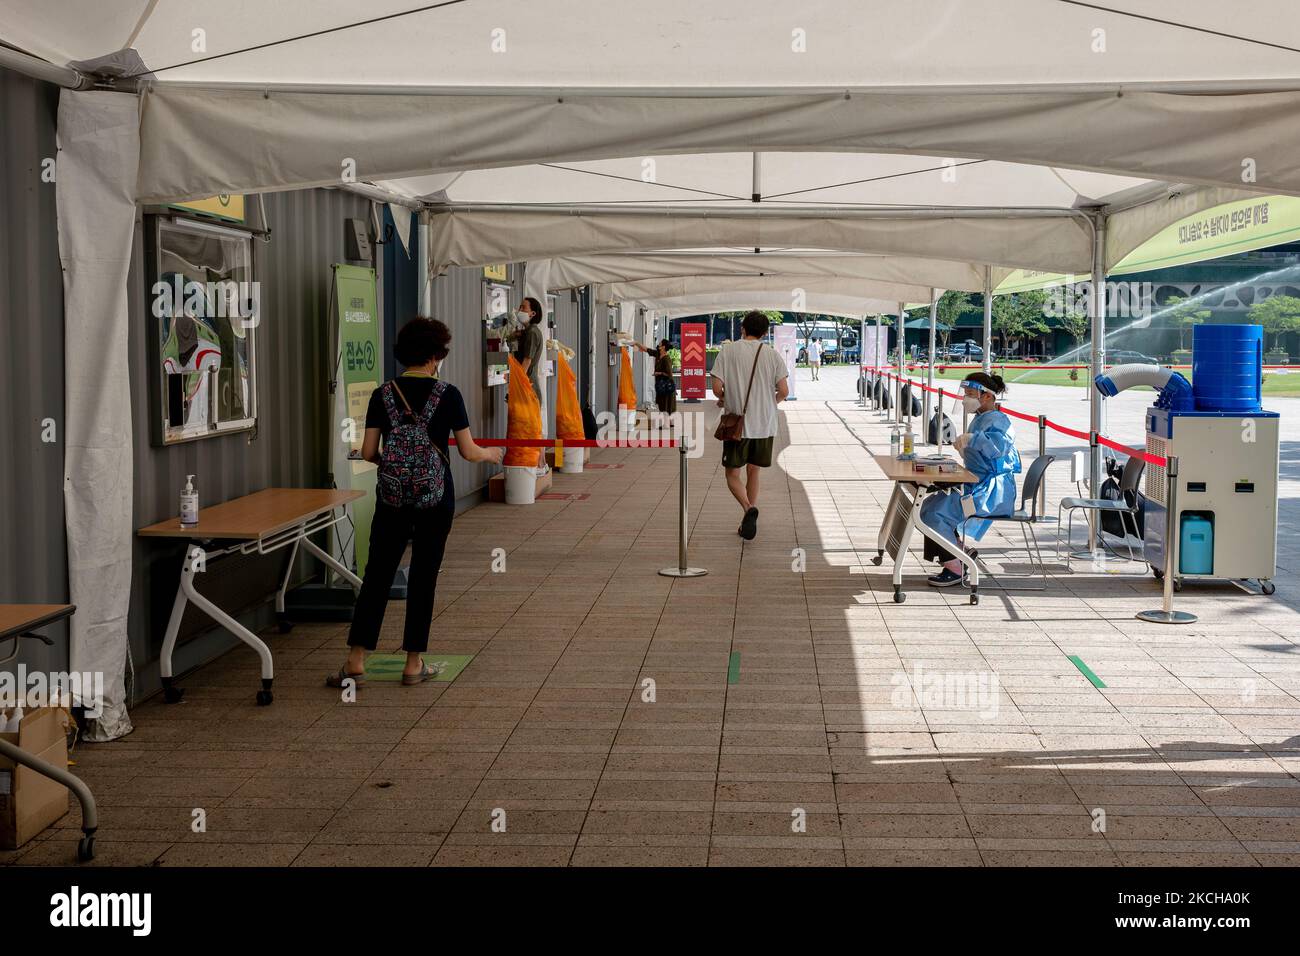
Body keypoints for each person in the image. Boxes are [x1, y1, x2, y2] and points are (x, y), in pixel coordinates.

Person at [328, 317, 503, 687]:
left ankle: (356, 659)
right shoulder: (448, 394)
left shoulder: (383, 394)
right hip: (435, 499)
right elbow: (469, 452)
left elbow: (369, 451)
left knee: (377, 574)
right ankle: (412, 663)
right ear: (436, 354)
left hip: (392, 499)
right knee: (424, 576)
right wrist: (492, 455)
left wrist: (394, 464)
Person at [919, 372, 1021, 587]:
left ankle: (955, 568)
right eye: (965, 394)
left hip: (991, 491)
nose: (966, 399)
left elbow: (999, 448)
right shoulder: (980, 419)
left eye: (971, 394)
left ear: (987, 396)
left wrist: (974, 439)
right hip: (977, 483)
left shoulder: (999, 420)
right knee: (927, 506)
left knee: (937, 513)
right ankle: (961, 551)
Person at [711, 311, 790, 540]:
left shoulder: (728, 350)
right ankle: (749, 514)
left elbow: (717, 389)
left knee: (731, 474)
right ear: (765, 333)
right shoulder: (772, 355)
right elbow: (784, 391)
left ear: (743, 328)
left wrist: (727, 398)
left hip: (737, 424)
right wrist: (768, 403)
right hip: (764, 424)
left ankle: (748, 509)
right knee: (753, 471)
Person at [511, 296, 546, 402]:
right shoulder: (527, 332)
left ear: (532, 314)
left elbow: (527, 361)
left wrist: (518, 385)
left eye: (523, 308)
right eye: (520, 307)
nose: (520, 310)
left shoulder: (532, 333)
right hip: (526, 386)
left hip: (528, 387)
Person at [635, 338, 676, 416]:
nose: (658, 343)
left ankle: (666, 424)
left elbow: (669, 374)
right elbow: (647, 349)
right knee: (663, 404)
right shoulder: (658, 354)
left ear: (663, 347)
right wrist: (636, 343)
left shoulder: (666, 359)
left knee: (665, 405)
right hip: (660, 384)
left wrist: (659, 373)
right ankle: (669, 423)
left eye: (660, 343)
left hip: (666, 386)